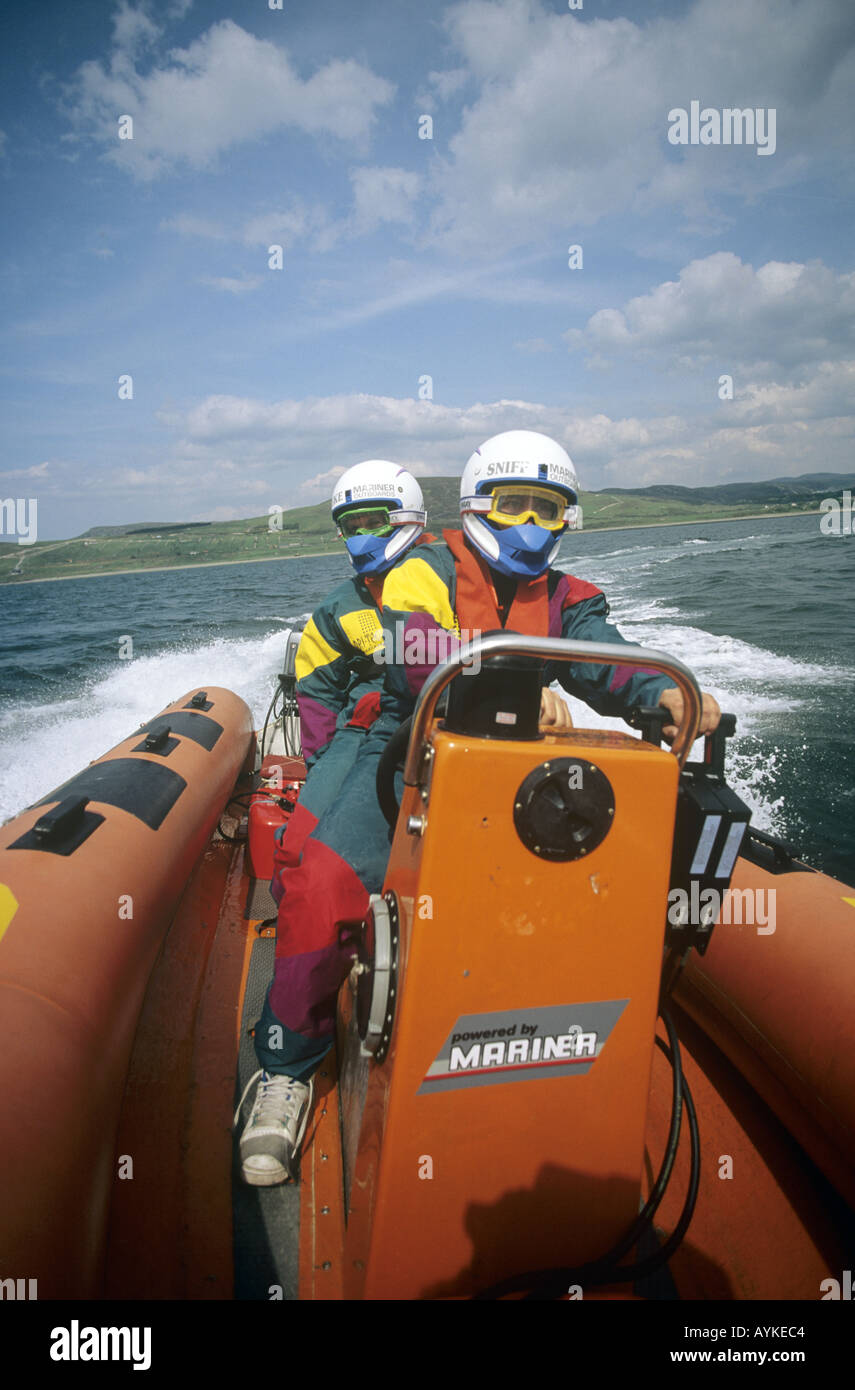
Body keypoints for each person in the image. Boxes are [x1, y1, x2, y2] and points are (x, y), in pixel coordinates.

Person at [237, 430, 721, 1185]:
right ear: (475, 507)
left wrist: (657, 694)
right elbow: (415, 646)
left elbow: (604, 653)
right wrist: (508, 667)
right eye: (514, 504)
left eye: (548, 508)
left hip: (511, 756)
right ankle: (285, 1065)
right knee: (325, 885)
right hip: (406, 744)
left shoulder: (569, 596)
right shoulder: (424, 569)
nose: (531, 523)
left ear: (565, 520)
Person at [236, 460, 428, 1185]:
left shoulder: (456, 582)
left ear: (408, 518)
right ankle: (323, 959)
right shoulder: (339, 607)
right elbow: (315, 687)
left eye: (374, 520)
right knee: (291, 847)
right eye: (350, 524)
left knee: (319, 880)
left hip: (444, 727)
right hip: (364, 733)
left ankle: (285, 1064)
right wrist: (324, 767)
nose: (360, 537)